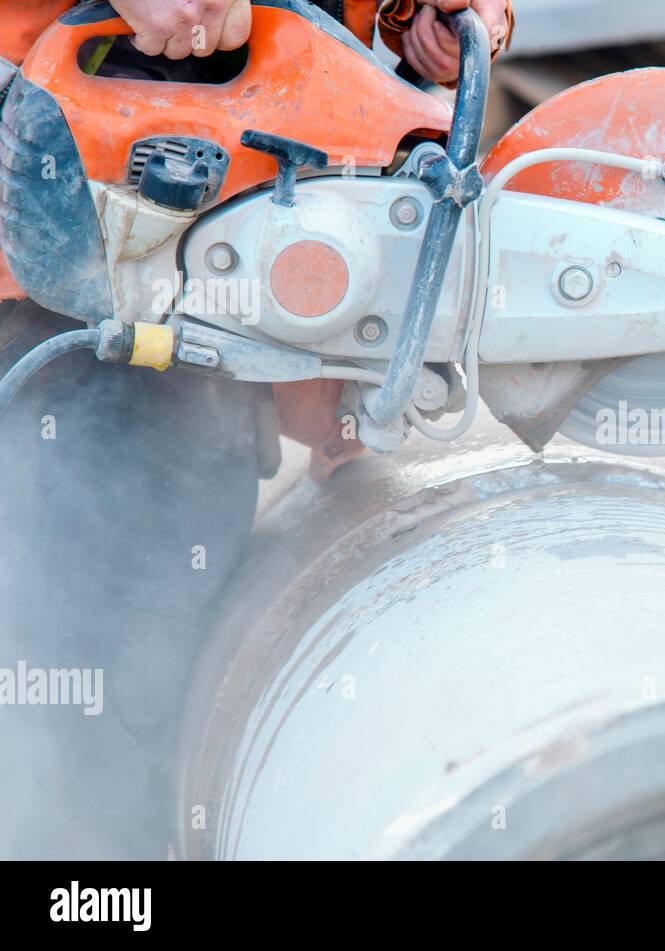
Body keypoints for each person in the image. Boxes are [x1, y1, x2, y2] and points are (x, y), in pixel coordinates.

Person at [0, 0, 513, 859]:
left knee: (147, 680)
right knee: (71, 708)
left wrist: (419, 15)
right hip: (55, 277)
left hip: (225, 283)